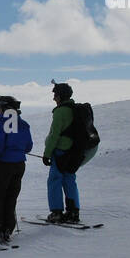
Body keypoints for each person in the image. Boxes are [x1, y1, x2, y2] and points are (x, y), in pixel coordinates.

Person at [42, 82, 95, 223]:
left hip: (61, 151)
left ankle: (57, 212)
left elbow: (54, 135)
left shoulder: (60, 111)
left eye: (55, 95)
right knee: (69, 178)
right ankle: (73, 212)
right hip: (75, 151)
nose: (54, 98)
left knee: (54, 179)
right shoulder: (76, 109)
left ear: (60, 96)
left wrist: (47, 154)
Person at [0, 96, 32, 243]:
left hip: (4, 165)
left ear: (4, 108)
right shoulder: (24, 124)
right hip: (19, 165)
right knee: (11, 197)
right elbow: (29, 147)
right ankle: (7, 229)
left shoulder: (1, 124)